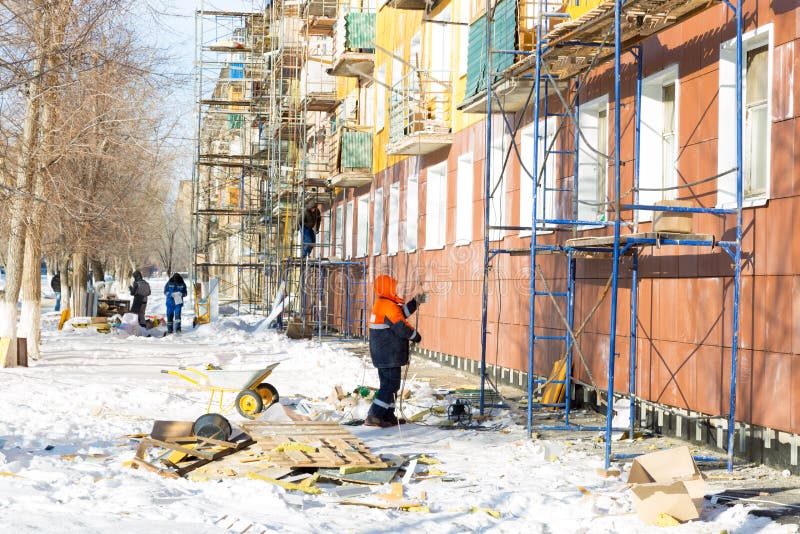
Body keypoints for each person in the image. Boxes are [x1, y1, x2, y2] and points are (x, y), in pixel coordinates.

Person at [366, 275, 426, 427]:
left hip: (384, 354)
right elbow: (401, 326)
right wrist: (415, 336)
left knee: (391, 385)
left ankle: (388, 415)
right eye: (394, 287)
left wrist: (415, 302)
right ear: (387, 288)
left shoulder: (384, 304)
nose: (396, 290)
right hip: (388, 354)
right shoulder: (387, 306)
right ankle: (374, 415)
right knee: (389, 386)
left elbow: (400, 314)